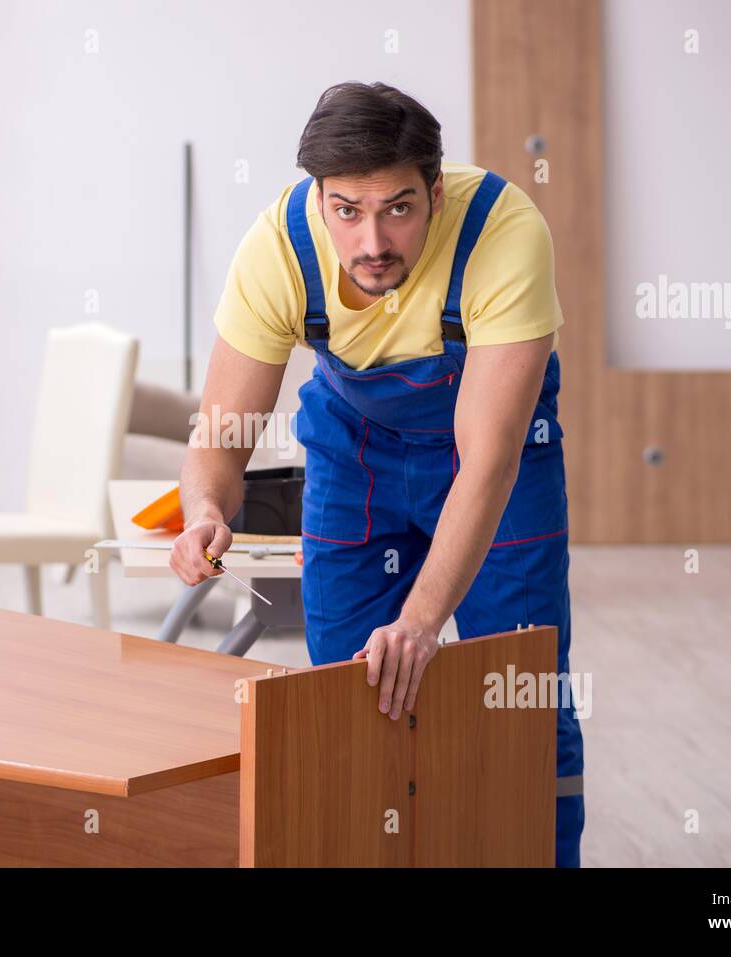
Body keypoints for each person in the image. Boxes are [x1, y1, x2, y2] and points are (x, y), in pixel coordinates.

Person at [169, 81, 585, 866]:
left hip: (497, 462)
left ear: (435, 191)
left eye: (397, 208)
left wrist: (423, 618)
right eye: (347, 211)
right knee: (346, 695)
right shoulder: (278, 248)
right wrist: (205, 510)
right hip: (354, 453)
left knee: (523, 696)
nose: (371, 242)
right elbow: (222, 437)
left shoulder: (502, 232)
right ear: (317, 199)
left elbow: (486, 460)